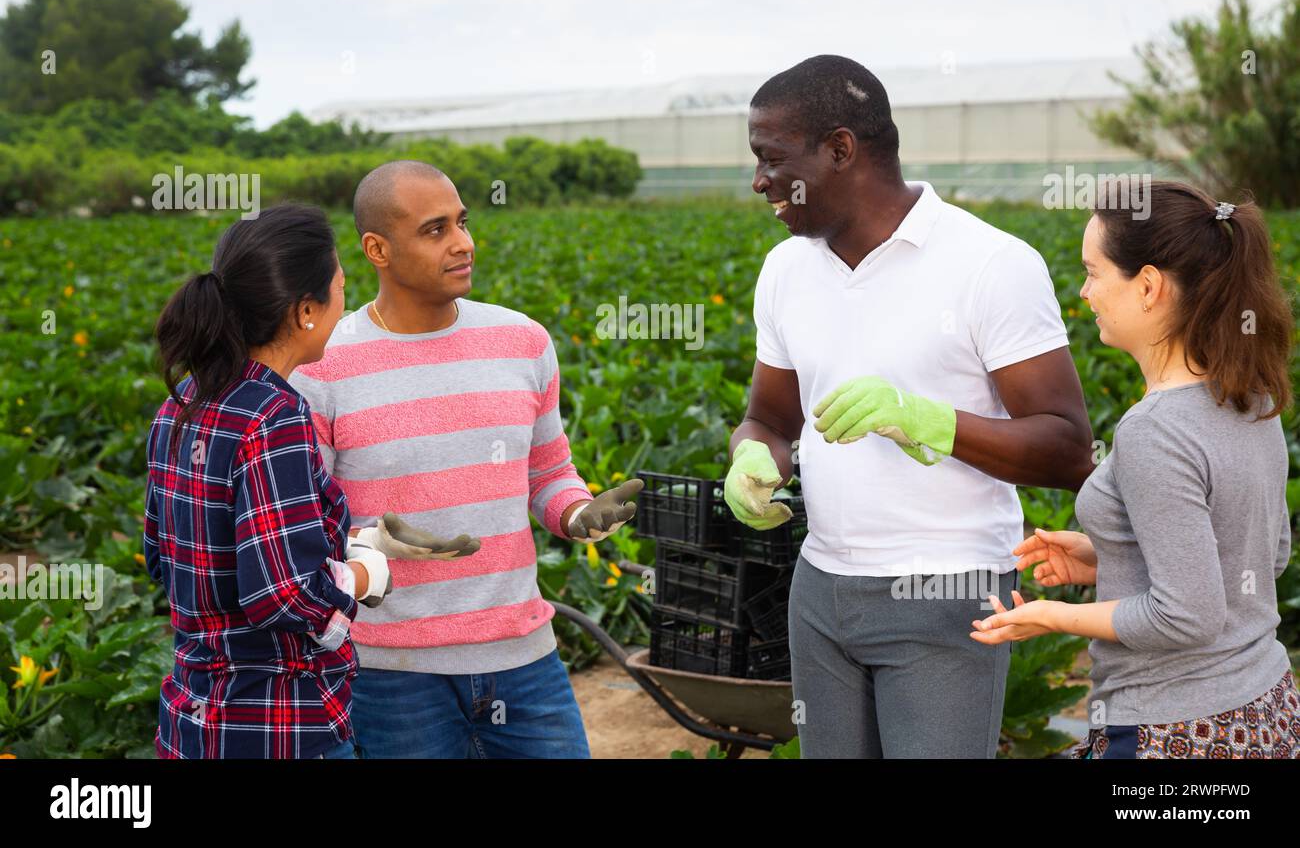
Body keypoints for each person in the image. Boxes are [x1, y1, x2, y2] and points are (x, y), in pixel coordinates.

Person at [724, 54, 1095, 758]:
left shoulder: (990, 264)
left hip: (948, 593)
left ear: (840, 149)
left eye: (771, 159)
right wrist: (752, 455)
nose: (759, 180)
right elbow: (771, 418)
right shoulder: (786, 270)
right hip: (821, 589)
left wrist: (932, 422)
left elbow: (1068, 449)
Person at [289, 160, 641, 759]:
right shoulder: (323, 367)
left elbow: (548, 474)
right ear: (377, 248)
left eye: (462, 222)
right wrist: (371, 542)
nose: (463, 243)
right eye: (435, 230)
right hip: (391, 676)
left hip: (523, 657)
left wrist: (578, 513)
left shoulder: (523, 343)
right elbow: (306, 531)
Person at [972, 180, 1298, 759]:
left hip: (1174, 733)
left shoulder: (1155, 430)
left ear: (1148, 286)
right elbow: (1260, 556)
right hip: (1263, 713)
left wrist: (1055, 616)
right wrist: (1111, 553)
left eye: (1094, 272)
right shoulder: (1250, 398)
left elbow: (1187, 617)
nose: (1085, 291)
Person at [143, 203, 400, 758]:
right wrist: (362, 572)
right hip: (278, 725)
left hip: (195, 719)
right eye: (339, 290)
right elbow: (280, 594)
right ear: (306, 310)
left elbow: (162, 558)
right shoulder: (275, 414)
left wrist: (328, 548)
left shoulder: (180, 404)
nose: (343, 307)